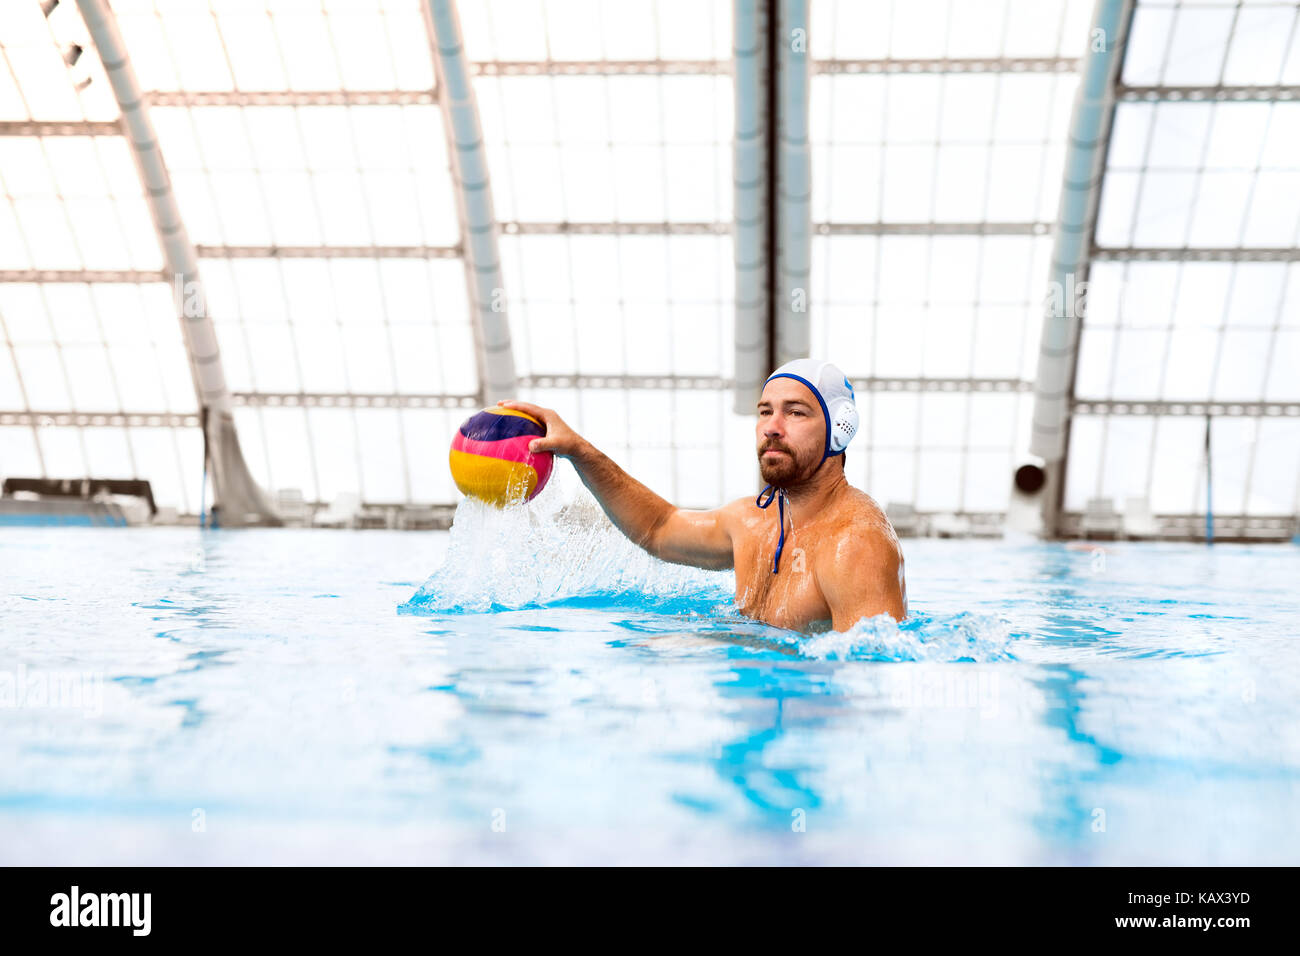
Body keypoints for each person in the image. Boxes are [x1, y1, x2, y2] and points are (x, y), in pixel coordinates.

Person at [498, 359, 907, 632]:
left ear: (841, 429)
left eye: (796, 412)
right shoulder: (753, 521)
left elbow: (868, 685)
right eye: (765, 411)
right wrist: (579, 451)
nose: (772, 427)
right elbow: (658, 529)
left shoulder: (854, 545)